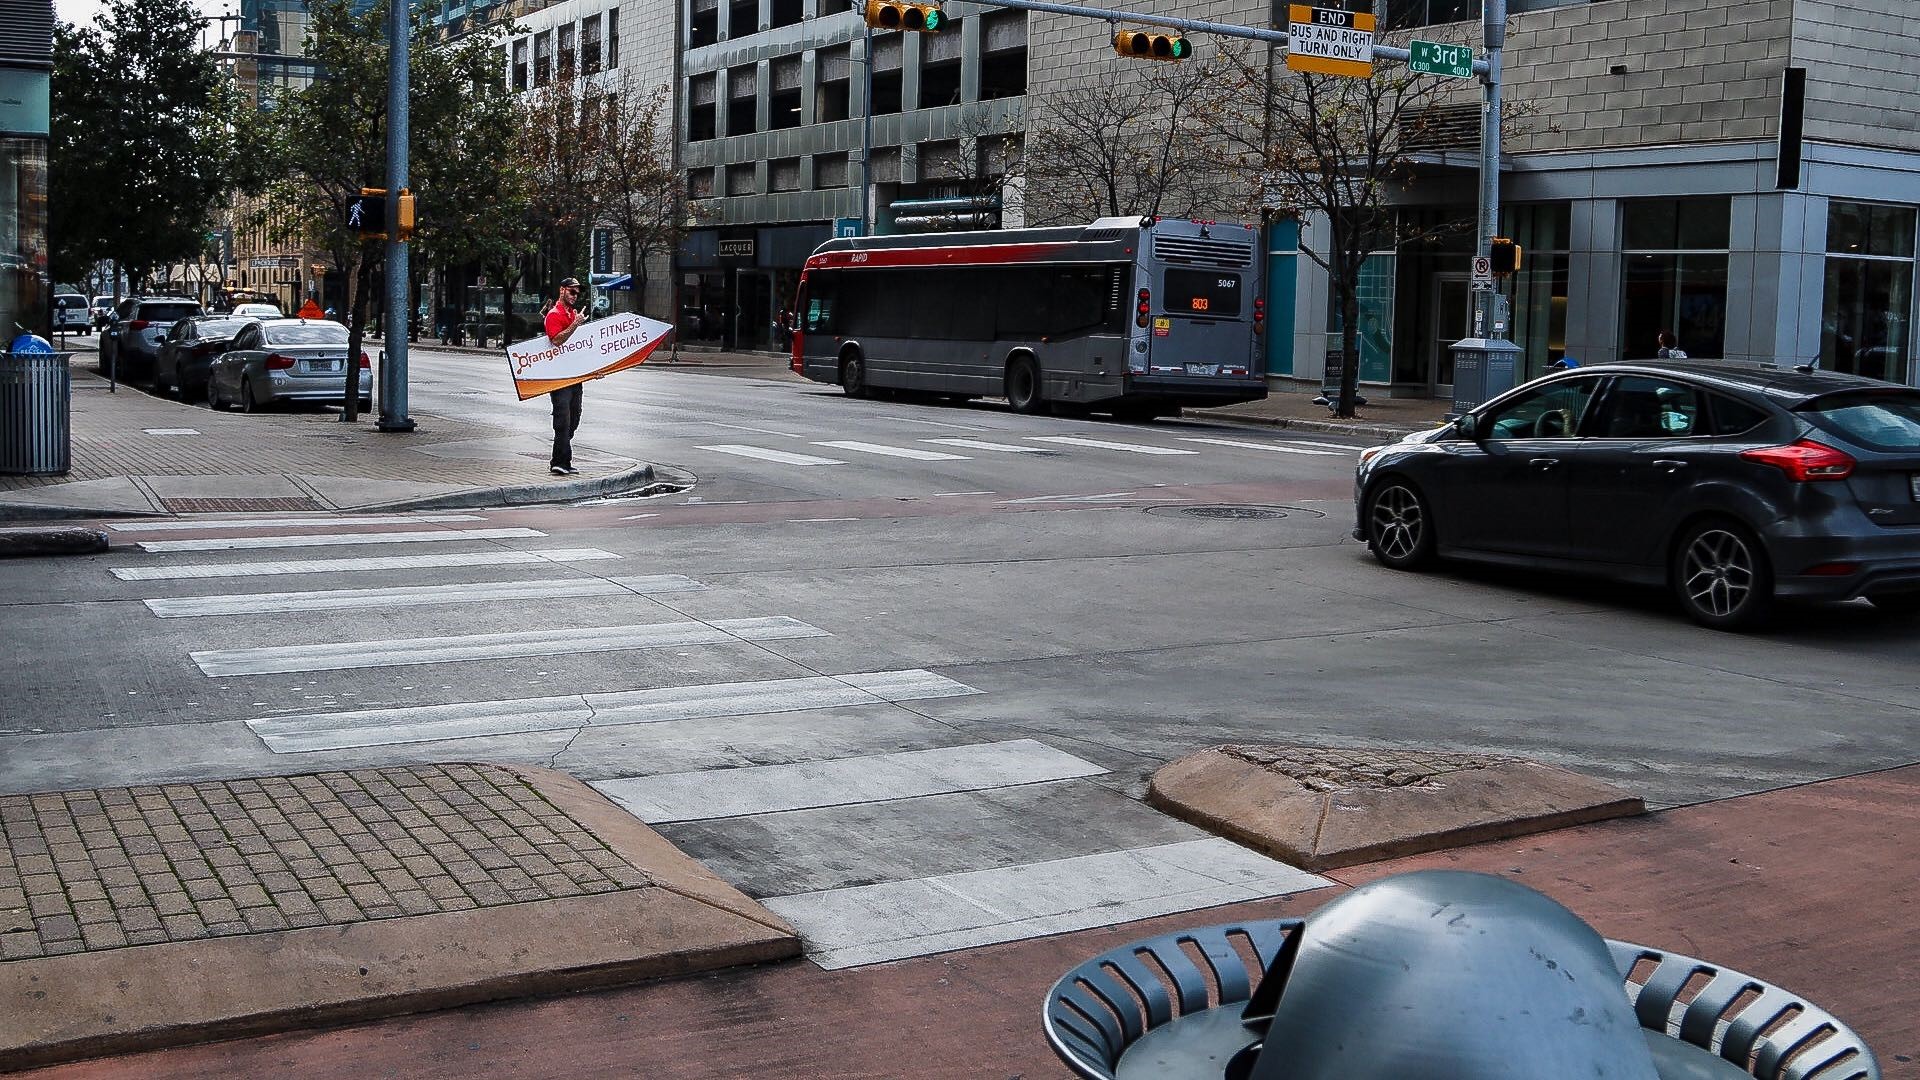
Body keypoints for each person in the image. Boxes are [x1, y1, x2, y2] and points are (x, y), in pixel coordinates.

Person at [544, 277, 588, 476]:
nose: (575, 296)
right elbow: (557, 340)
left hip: (575, 376)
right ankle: (560, 461)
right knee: (563, 419)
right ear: (562, 291)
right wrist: (575, 325)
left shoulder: (573, 315)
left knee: (575, 417)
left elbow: (582, 348)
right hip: (559, 377)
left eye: (577, 293)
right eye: (572, 292)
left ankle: (561, 457)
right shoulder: (554, 315)